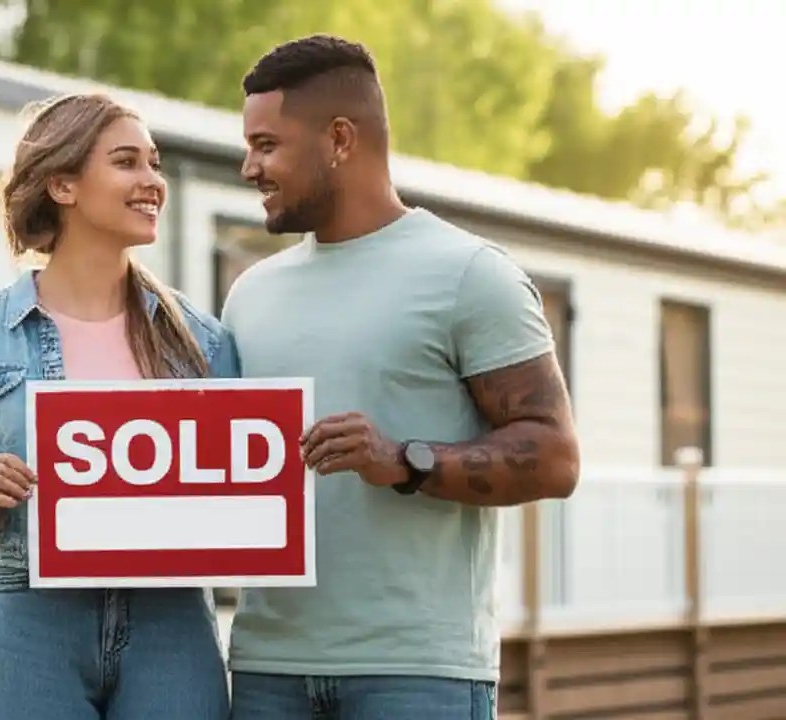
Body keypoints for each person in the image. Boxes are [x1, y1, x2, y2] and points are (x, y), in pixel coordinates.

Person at [219, 35, 581, 720]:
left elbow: (556, 458)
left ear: (340, 139)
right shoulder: (250, 294)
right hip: (267, 666)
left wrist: (402, 459)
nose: (249, 168)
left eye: (267, 145)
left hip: (417, 673)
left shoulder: (470, 275)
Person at [0, 92, 239, 720]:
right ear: (62, 185)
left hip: (170, 622)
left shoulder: (203, 341)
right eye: (127, 163)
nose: (152, 182)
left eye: (154, 163)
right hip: (35, 619)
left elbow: (232, 502)